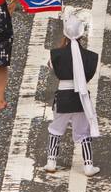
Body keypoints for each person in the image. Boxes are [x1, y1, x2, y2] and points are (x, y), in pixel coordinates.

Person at [42, 9, 101, 176]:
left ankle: (51, 161)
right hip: (80, 98)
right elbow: (88, 75)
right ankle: (88, 165)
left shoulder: (57, 55)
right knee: (83, 132)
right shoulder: (91, 57)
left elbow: (50, 65)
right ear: (82, 35)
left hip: (63, 97)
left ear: (65, 35)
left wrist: (61, 46)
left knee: (56, 129)